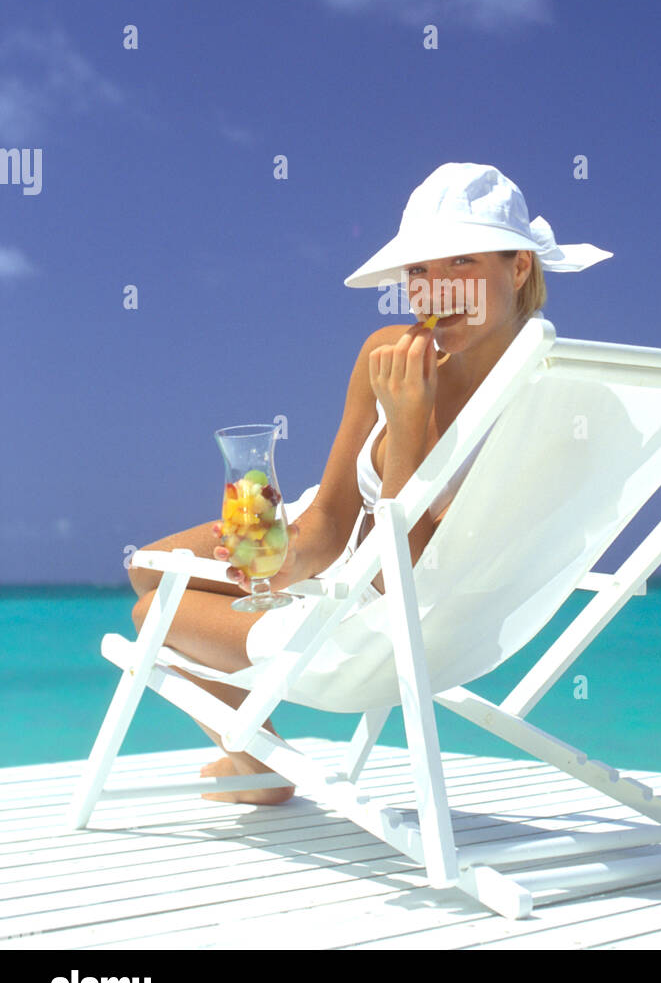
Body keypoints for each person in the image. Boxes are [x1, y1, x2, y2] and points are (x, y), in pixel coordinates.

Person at [127, 162, 612, 803]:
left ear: (518, 267)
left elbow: (404, 586)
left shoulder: (541, 404)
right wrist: (286, 559)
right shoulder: (388, 351)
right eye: (419, 271)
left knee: (150, 610)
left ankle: (256, 766)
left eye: (460, 263)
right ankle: (258, 759)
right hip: (344, 556)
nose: (434, 291)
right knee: (147, 569)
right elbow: (330, 518)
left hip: (391, 616)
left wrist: (409, 428)